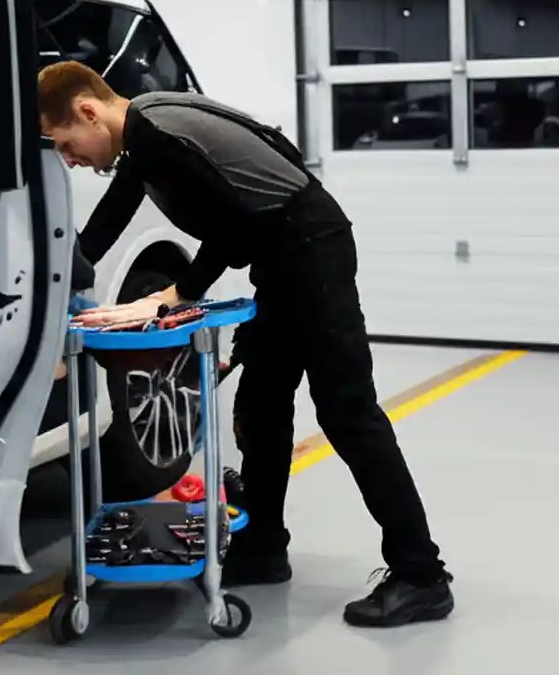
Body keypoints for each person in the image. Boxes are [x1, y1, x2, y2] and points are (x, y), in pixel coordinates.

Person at [38, 61, 454, 627]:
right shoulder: (144, 136)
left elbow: (235, 229)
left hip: (311, 251)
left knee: (347, 412)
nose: (69, 159)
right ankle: (263, 548)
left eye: (65, 144)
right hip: (286, 256)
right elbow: (111, 218)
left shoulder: (157, 135)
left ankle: (421, 574)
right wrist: (58, 275)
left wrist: (174, 293)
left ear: (89, 112)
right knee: (260, 408)